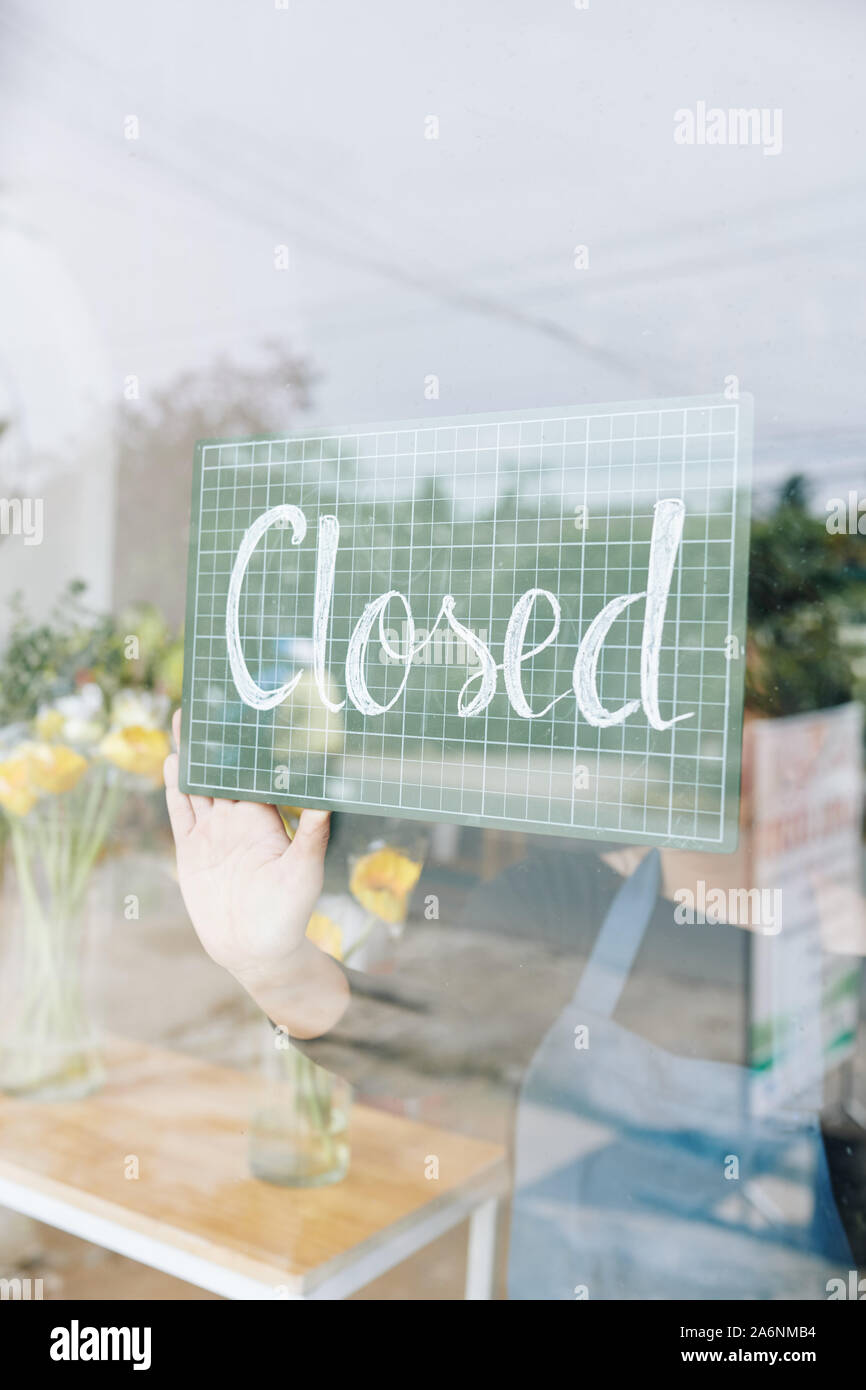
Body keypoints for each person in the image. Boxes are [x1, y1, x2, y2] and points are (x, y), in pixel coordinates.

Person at [164, 710, 853, 1299]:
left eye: (736, 709)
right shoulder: (558, 901)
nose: (705, 739)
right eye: (686, 708)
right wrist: (272, 967)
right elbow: (418, 1042)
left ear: (803, 746)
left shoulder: (847, 950)